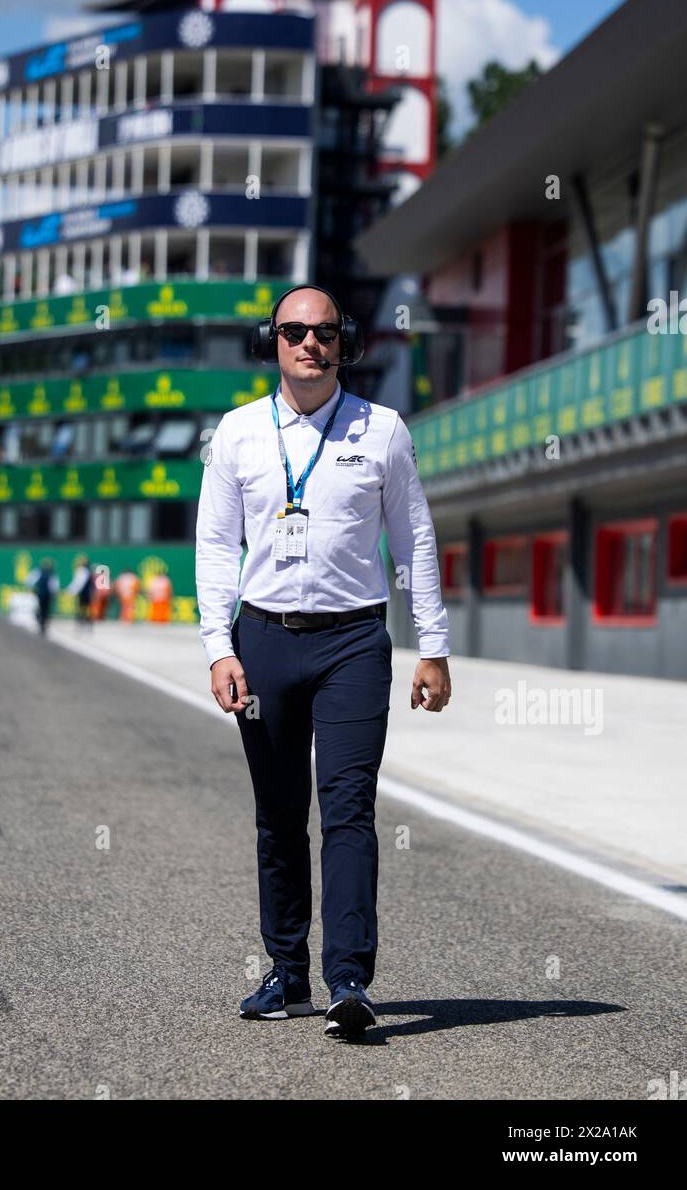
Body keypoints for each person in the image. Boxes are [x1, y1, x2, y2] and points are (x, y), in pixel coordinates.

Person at [195, 284, 452, 1042]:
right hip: (264, 640)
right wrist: (220, 648)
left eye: (325, 331)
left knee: (347, 810)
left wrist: (432, 647)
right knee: (279, 816)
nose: (310, 342)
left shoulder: (383, 430)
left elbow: (414, 540)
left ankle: (349, 979)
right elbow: (215, 547)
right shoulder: (237, 434)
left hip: (353, 644)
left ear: (347, 342)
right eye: (294, 331)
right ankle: (287, 974)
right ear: (270, 341)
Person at [27, 558, 59, 635]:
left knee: (41, 608)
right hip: (47, 594)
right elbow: (54, 585)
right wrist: (54, 593)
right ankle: (43, 623)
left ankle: (41, 622)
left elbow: (30, 580)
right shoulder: (51, 573)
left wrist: (31, 588)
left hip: (40, 593)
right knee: (45, 609)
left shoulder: (39, 572)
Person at [67, 557, 94, 626]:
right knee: (86, 606)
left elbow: (79, 583)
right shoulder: (88, 570)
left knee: (82, 606)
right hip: (87, 592)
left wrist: (72, 590)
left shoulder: (82, 571)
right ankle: (86, 620)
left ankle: (83, 620)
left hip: (84, 592)